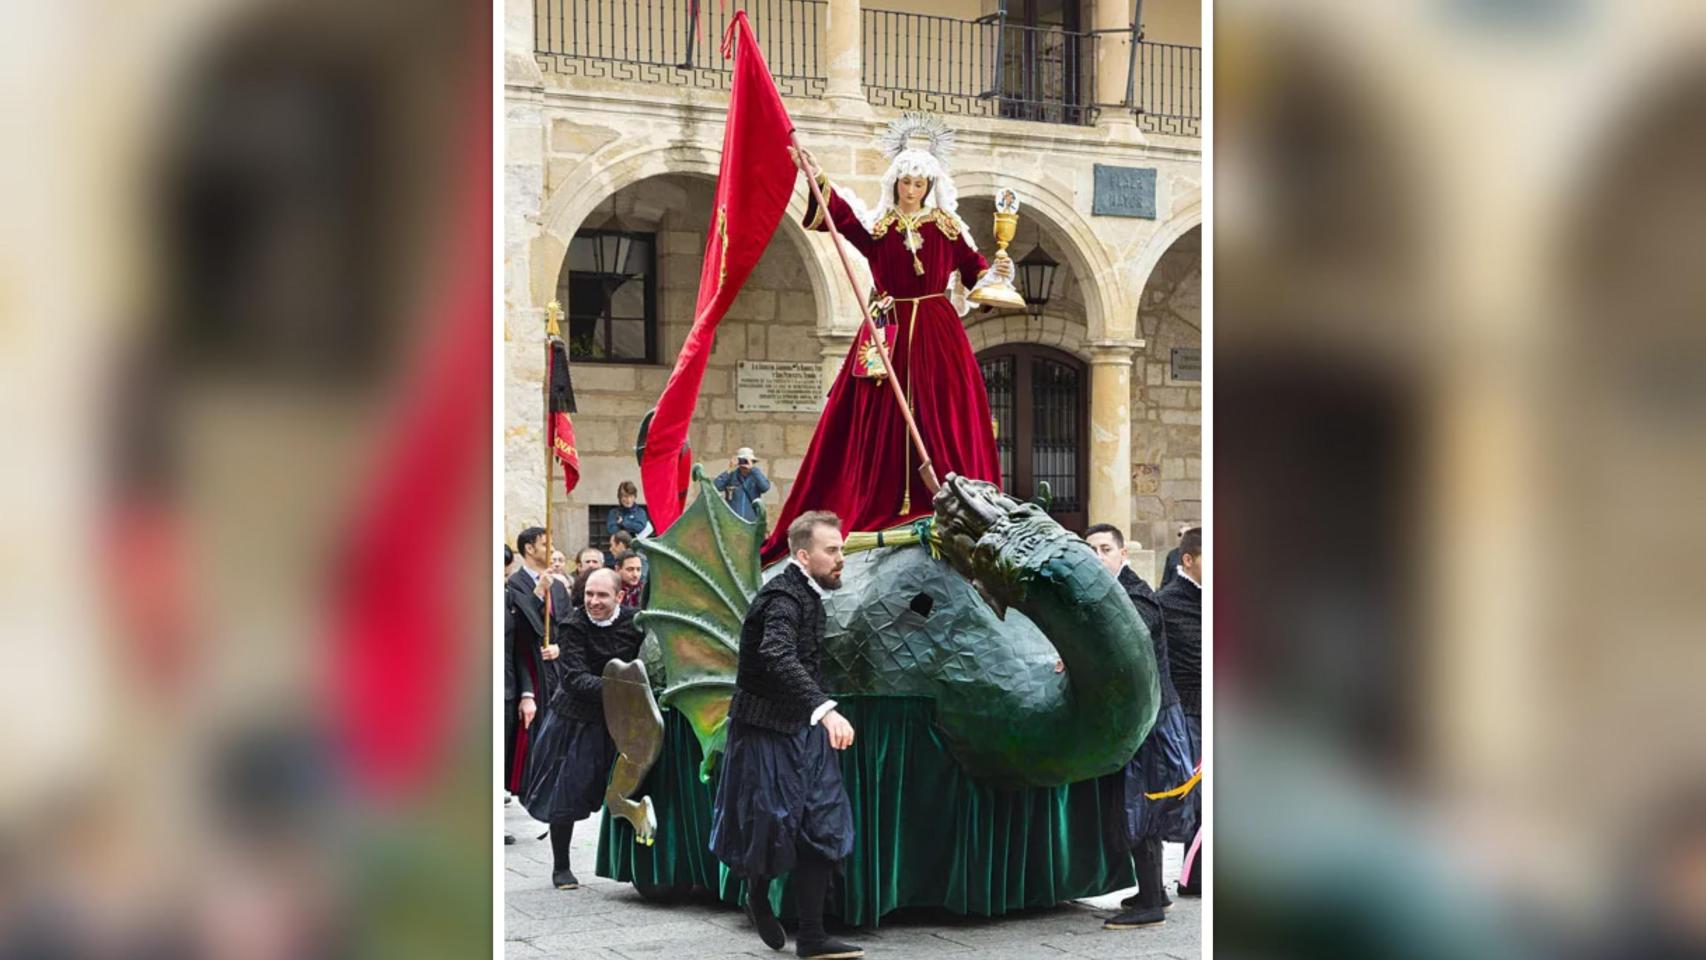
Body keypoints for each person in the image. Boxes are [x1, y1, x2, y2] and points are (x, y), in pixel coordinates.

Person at [760, 114, 1008, 563]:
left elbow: (976, 276)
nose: (911, 190)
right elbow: (843, 220)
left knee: (943, 410)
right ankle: (885, 500)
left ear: (929, 185)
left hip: (936, 329)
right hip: (887, 328)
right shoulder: (880, 229)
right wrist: (814, 176)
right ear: (894, 183)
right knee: (879, 416)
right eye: (905, 182)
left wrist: (997, 275)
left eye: (919, 183)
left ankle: (953, 501)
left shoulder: (947, 229)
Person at [709, 512, 862, 959]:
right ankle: (757, 895)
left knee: (825, 824)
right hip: (765, 731)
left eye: (840, 549)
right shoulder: (782, 597)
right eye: (831, 551)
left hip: (803, 729)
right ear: (802, 554)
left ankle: (812, 939)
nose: (840, 559)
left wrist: (816, 713)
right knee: (771, 828)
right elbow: (776, 654)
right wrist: (825, 709)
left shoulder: (808, 592)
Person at [1084, 524, 1197, 930]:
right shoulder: (1108, 592)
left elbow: (1133, 631)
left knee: (1141, 806)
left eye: (1104, 549)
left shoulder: (1137, 596)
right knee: (1132, 804)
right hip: (1139, 718)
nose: (1097, 556)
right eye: (1090, 549)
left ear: (1122, 555)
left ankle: (1150, 902)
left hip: (1154, 720)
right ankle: (1154, 893)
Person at [519, 569, 644, 890]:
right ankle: (561, 866)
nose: (593, 601)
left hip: (622, 719)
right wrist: (624, 688)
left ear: (619, 597)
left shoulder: (635, 623)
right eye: (589, 594)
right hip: (574, 720)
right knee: (566, 789)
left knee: (630, 789)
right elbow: (574, 678)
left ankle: (638, 864)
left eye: (602, 595)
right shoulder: (574, 624)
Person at [1155, 526, 1203, 897]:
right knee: (1198, 798)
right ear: (1188, 560)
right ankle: (1193, 877)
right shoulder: (1167, 602)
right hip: (1190, 711)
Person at [505, 527, 570, 797]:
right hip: (527, 670)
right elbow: (520, 632)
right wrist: (537, 593)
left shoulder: (559, 586)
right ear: (530, 548)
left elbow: (568, 626)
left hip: (555, 669)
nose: (551, 550)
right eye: (546, 544)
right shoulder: (515, 585)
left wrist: (559, 647)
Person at [715, 447, 772, 522]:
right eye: (742, 461)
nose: (744, 464)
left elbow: (765, 487)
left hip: (750, 522)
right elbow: (716, 487)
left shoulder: (756, 476)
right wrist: (728, 470)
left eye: (747, 461)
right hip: (732, 520)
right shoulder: (731, 475)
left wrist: (753, 469)